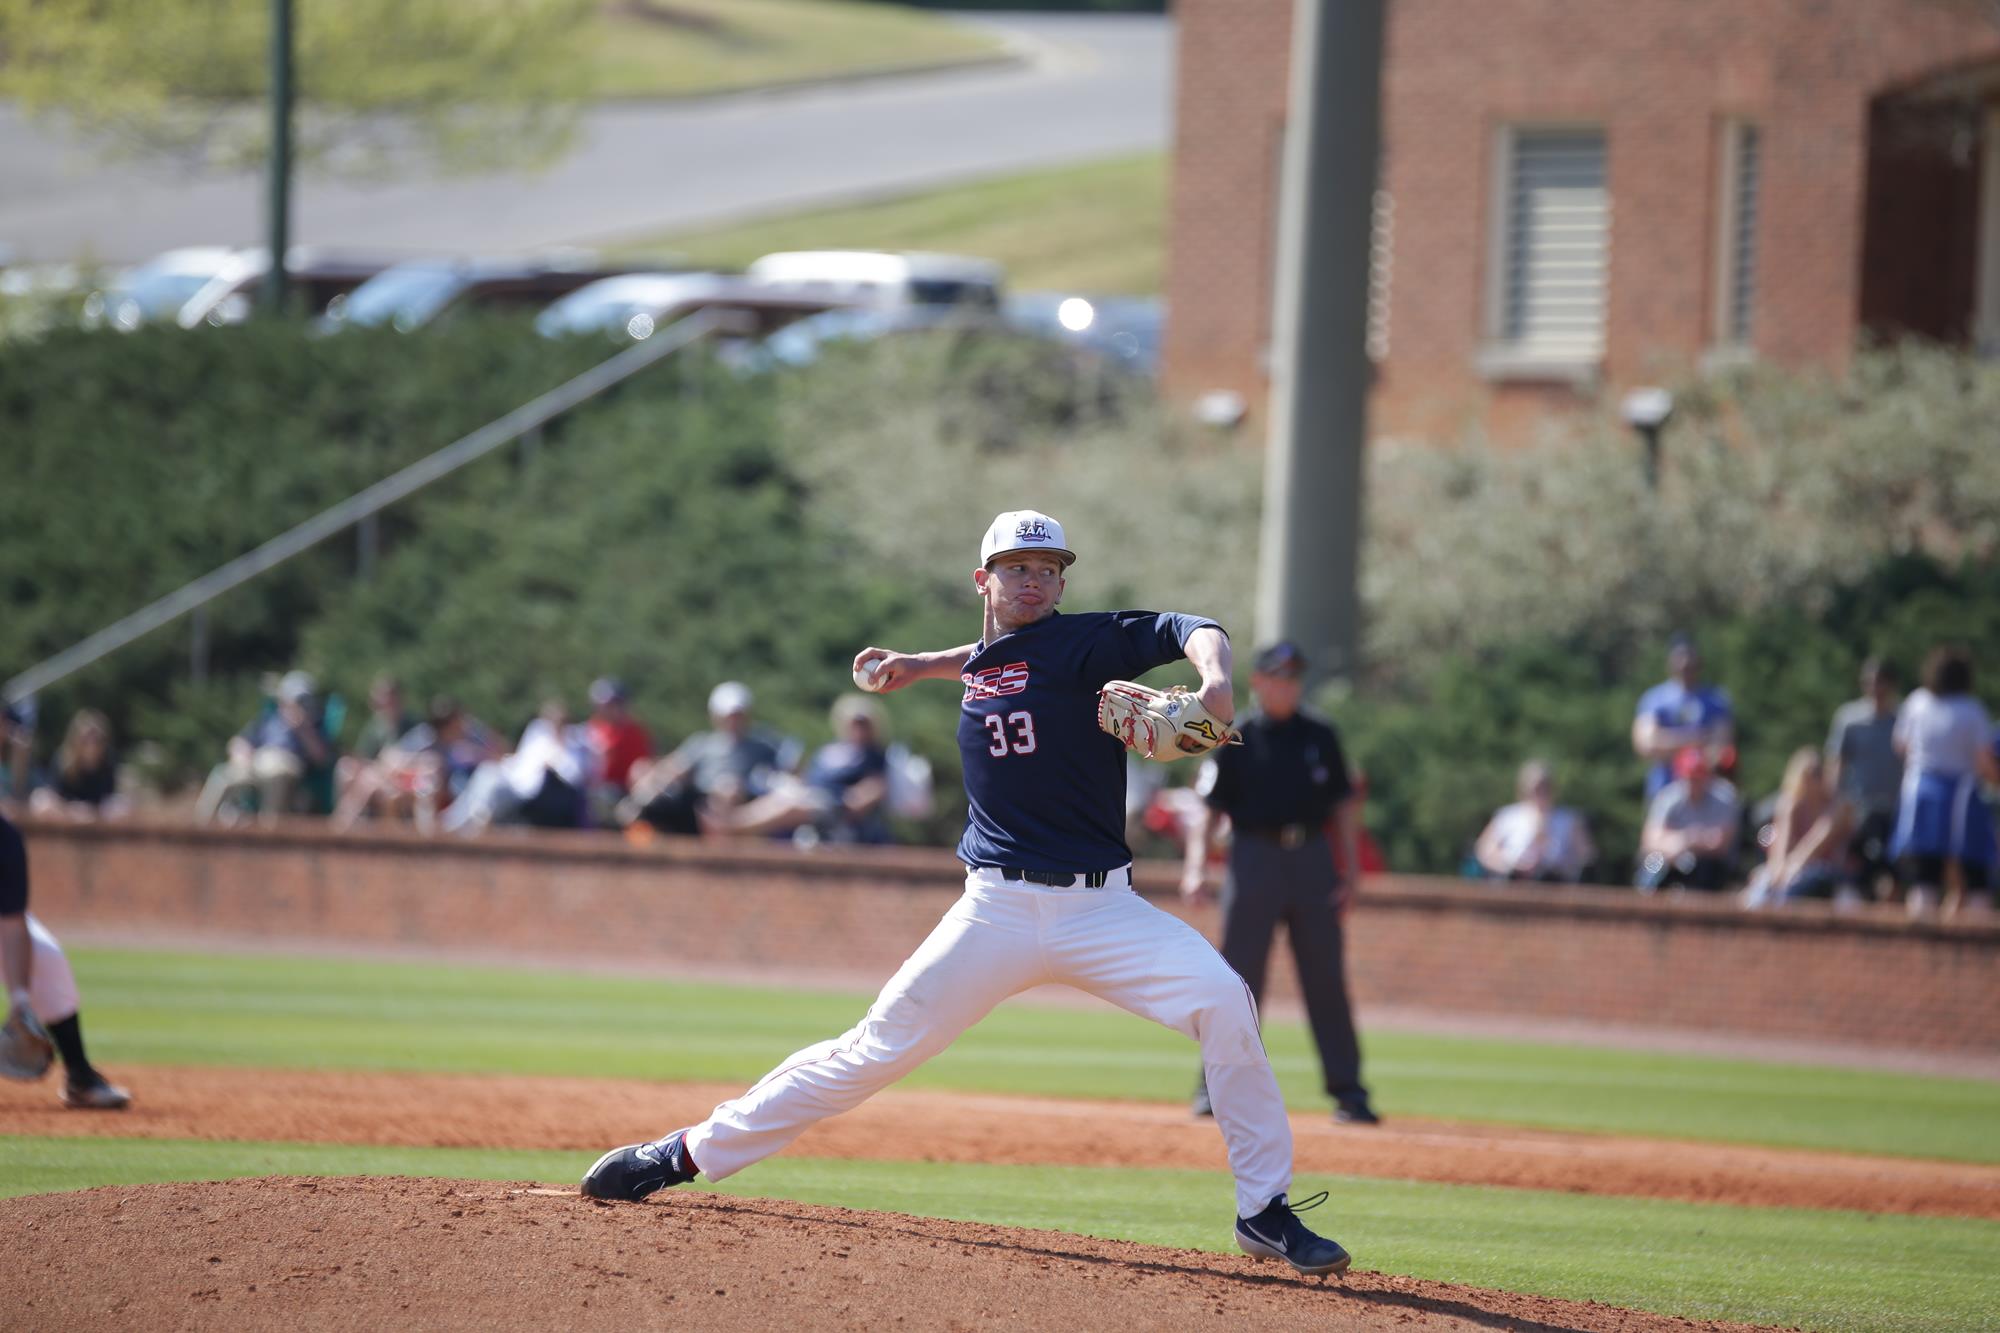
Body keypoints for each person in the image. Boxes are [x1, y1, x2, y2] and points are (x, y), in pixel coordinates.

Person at [580, 510, 1351, 1278]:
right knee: (868, 1052)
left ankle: (1263, 1209)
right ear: (984, 580)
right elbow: (989, 660)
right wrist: (921, 664)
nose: (1035, 580)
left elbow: (1193, 626)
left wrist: (1216, 679)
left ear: (1062, 584)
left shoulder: (1086, 643)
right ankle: (681, 1153)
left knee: (1224, 999)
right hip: (995, 911)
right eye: (1017, 568)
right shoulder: (985, 659)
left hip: (1102, 910)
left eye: (1048, 569)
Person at [1178, 641, 1377, 1127]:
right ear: (1259, 682)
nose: (1288, 685)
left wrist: (1351, 872)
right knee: (1237, 982)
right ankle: (1214, 1089)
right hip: (1254, 858)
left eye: (1294, 677)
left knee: (1325, 979)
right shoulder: (1236, 735)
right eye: (1278, 677)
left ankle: (1349, 1094)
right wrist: (1196, 866)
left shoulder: (1320, 734)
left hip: (1311, 860)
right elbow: (1209, 807)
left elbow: (1342, 807)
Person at [0, 810, 130, 1108]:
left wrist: (20, 999)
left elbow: (12, 924)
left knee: (46, 954)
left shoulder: (4, 840)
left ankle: (80, 1077)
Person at [1891, 646, 1999, 917]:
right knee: (1974, 869)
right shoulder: (1971, 710)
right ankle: (1978, 935)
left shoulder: (1916, 702)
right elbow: (1984, 760)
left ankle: (1920, 930)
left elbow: (1900, 745)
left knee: (1924, 873)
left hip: (1920, 793)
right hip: (1961, 796)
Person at [700, 695, 893, 845]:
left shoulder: (874, 756)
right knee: (781, 797)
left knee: (791, 805)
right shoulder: (829, 752)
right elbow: (807, 777)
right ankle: (732, 824)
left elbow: (870, 792)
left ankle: (731, 828)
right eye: (854, 722)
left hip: (835, 807)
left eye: (863, 723)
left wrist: (842, 802)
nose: (858, 729)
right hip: (810, 797)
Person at [619, 682, 797, 837]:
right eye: (729, 716)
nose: (733, 721)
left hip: (744, 801)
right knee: (649, 782)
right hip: (700, 801)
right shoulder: (702, 743)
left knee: (729, 788)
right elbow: (675, 767)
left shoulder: (764, 744)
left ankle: (725, 832)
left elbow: (788, 771)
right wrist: (648, 782)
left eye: (738, 715)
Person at [194, 671, 331, 824]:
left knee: (278, 774)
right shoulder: (269, 719)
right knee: (222, 777)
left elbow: (321, 758)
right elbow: (239, 742)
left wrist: (302, 728)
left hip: (286, 765)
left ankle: (268, 828)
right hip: (255, 764)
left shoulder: (315, 724)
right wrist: (241, 755)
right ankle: (200, 825)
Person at [440, 699, 590, 835]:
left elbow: (574, 776)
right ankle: (457, 820)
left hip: (535, 793)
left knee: (490, 788)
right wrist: (506, 762)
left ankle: (465, 823)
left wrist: (554, 762)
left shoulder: (573, 745)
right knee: (487, 772)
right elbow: (522, 760)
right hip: (516, 780)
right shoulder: (539, 734)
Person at [1824, 658, 1903, 901]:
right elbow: (1836, 762)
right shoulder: (1849, 719)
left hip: (1893, 812)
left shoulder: (1901, 720)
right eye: (1869, 682)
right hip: (1857, 811)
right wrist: (1834, 801)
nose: (1874, 688)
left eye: (1879, 682)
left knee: (1892, 876)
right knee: (1853, 875)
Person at [1744, 747, 1854, 907]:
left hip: (1827, 873)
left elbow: (1814, 844)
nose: (1813, 779)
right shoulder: (1789, 804)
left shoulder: (1837, 808)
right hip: (1794, 869)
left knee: (1795, 887)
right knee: (1760, 887)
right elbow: (1780, 851)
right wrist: (1777, 871)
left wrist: (1790, 869)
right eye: (1809, 774)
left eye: (1817, 773)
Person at [1632, 636, 1735, 802]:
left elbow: (1721, 747)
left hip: (1707, 793)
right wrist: (1694, 739)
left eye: (1690, 657)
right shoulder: (1654, 699)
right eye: (1679, 657)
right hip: (1663, 790)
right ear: (1669, 662)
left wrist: (1666, 741)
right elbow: (1646, 745)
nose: (1685, 663)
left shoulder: (1716, 700)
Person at [1635, 747, 1740, 892]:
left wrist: (1686, 842)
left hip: (1708, 864)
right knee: (1654, 864)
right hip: (1671, 858)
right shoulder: (1668, 798)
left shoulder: (1724, 798)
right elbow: (1650, 841)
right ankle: (1645, 899)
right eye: (1690, 777)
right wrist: (1685, 840)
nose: (1694, 783)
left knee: (1705, 869)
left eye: (1699, 777)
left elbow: (1721, 843)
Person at [1473, 761, 1595, 883]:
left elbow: (1586, 854)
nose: (1540, 793)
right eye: (1536, 788)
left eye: (1545, 787)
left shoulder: (1570, 819)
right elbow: (1485, 849)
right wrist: (1509, 867)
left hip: (1556, 883)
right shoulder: (1506, 816)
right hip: (1512, 882)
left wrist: (1565, 866)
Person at [29, 709, 129, 822]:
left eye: (97, 740)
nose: (91, 745)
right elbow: (53, 793)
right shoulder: (62, 759)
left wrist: (89, 811)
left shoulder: (108, 760)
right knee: (40, 799)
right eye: (86, 739)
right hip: (65, 812)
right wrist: (73, 809)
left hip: (97, 814)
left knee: (121, 805)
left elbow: (109, 798)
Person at [337, 673, 417, 810]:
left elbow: (415, 758)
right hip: (377, 773)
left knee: (369, 781)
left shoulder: (412, 726)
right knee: (347, 769)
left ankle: (344, 820)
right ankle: (349, 817)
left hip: (401, 775)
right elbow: (364, 757)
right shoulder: (375, 726)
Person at [585, 677, 654, 825]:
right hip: (597, 790)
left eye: (613, 704)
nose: (607, 709)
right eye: (603, 705)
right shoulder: (592, 728)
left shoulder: (634, 732)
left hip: (628, 792)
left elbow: (644, 766)